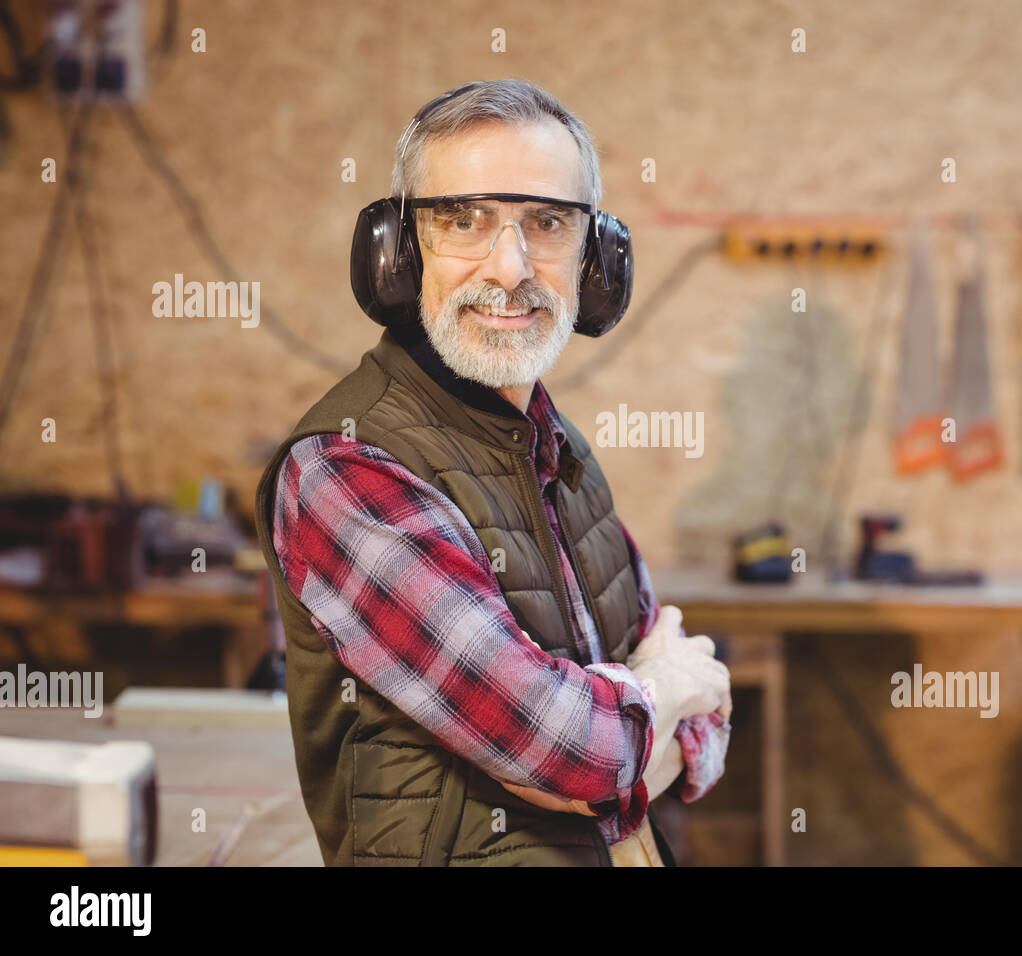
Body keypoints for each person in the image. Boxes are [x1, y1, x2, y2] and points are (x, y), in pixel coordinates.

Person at [251, 78, 731, 866]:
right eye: (463, 219)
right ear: (398, 253)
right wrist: (663, 695)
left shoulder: (559, 447)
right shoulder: (347, 467)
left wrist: (634, 738)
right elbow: (574, 751)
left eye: (547, 223)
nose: (510, 268)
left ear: (598, 260)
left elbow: (690, 740)